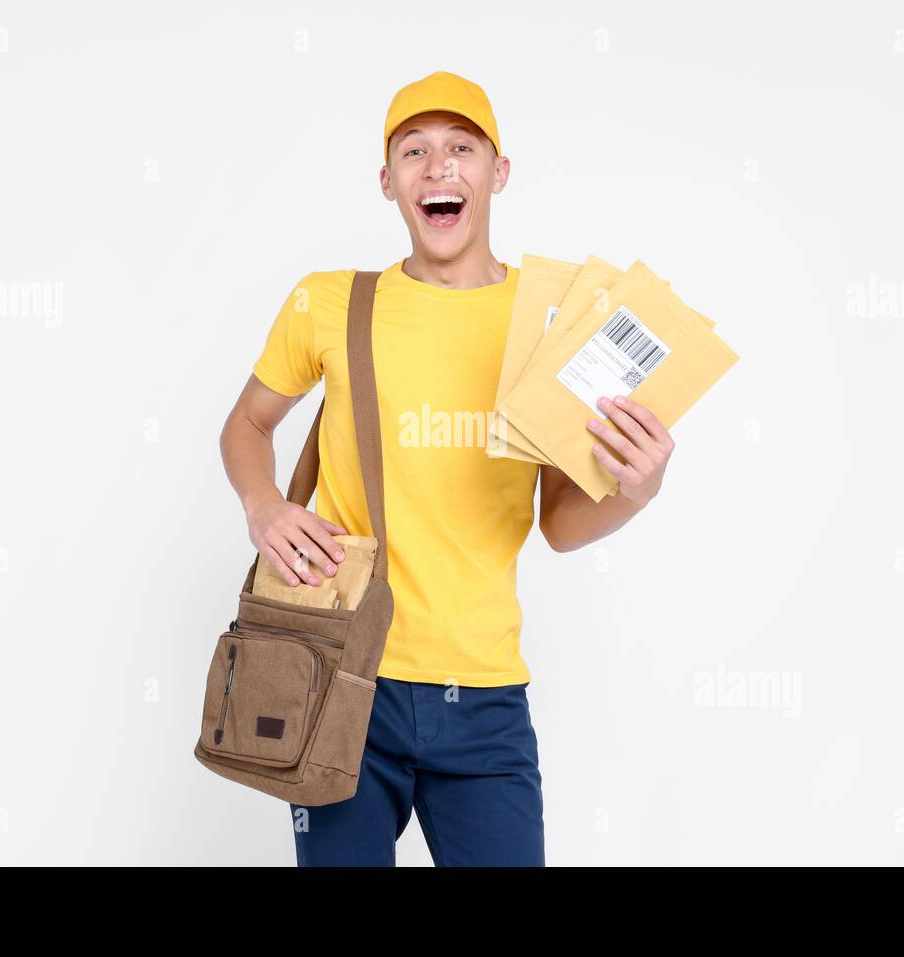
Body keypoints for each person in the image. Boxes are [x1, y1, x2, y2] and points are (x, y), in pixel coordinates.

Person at [219, 70, 676, 866]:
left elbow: (560, 525)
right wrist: (264, 505)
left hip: (487, 701)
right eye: (415, 151)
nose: (440, 168)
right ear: (388, 180)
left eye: (462, 148)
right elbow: (248, 423)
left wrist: (637, 492)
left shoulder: (552, 321)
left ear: (498, 174)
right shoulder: (329, 302)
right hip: (345, 679)